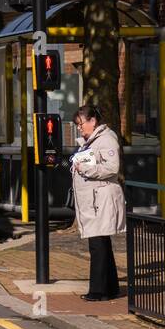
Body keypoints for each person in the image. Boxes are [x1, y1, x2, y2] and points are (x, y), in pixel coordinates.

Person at [70, 103, 126, 301]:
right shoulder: (92, 140)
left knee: (97, 244)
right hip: (95, 200)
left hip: (101, 200)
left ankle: (98, 291)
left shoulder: (107, 139)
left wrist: (85, 169)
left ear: (93, 121)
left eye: (81, 123)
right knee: (102, 242)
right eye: (77, 124)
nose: (79, 127)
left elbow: (112, 168)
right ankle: (110, 288)